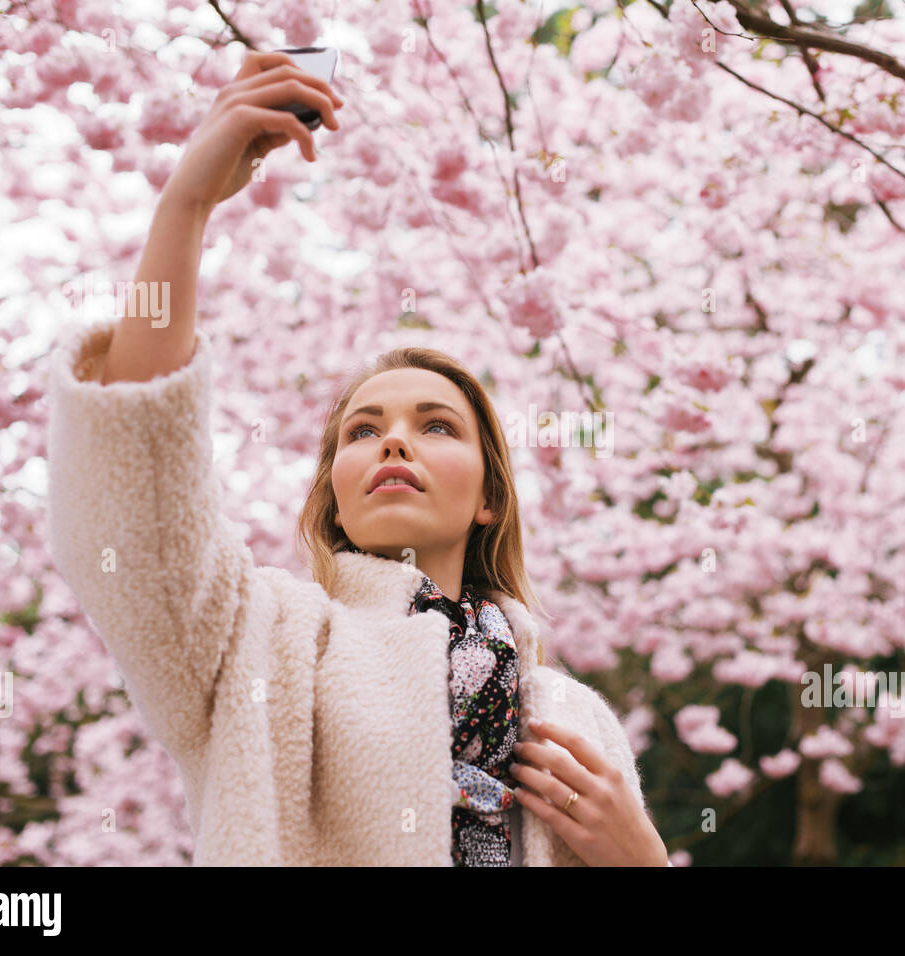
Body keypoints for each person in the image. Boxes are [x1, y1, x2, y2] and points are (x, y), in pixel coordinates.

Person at [45, 49, 670, 866]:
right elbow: (138, 503)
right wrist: (187, 204)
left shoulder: (572, 718)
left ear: (490, 498)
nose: (395, 440)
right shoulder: (258, 642)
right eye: (363, 430)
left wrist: (645, 859)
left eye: (438, 426)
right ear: (335, 494)